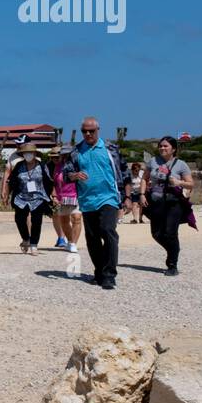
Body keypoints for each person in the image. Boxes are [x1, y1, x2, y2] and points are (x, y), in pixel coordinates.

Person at [65, 117, 130, 290]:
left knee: (108, 231)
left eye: (91, 131)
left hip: (109, 197)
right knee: (92, 238)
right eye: (84, 131)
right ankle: (99, 272)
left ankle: (109, 274)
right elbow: (66, 174)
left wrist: (128, 197)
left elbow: (124, 172)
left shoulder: (110, 149)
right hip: (87, 200)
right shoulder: (76, 151)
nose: (87, 134)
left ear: (98, 130)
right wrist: (74, 175)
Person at [142, 137, 193, 276]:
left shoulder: (181, 164)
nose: (162, 148)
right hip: (156, 202)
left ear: (174, 149)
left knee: (170, 233)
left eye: (166, 146)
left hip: (173, 203)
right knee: (156, 233)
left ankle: (172, 264)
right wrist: (141, 194)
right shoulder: (152, 161)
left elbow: (191, 184)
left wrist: (178, 182)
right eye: (160, 146)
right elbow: (144, 178)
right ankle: (174, 249)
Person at [2, 143, 52, 255]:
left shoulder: (42, 165)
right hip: (21, 197)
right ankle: (26, 239)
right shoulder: (19, 166)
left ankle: (34, 244)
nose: (28, 155)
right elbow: (11, 181)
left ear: (35, 154)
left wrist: (52, 194)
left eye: (30, 153)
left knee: (37, 221)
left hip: (38, 197)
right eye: (26, 153)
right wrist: (6, 193)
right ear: (23, 154)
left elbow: (49, 181)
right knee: (19, 219)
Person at [51, 147, 82, 253]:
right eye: (63, 154)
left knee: (76, 218)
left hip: (75, 194)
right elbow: (55, 182)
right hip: (62, 196)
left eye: (68, 154)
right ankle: (70, 241)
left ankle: (74, 243)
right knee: (64, 220)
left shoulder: (77, 165)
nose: (65, 156)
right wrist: (54, 196)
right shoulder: (58, 166)